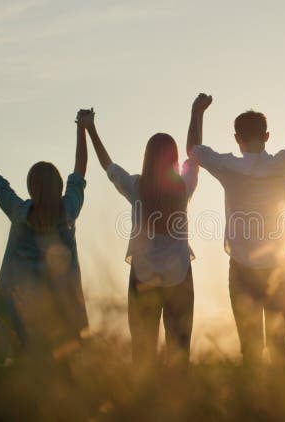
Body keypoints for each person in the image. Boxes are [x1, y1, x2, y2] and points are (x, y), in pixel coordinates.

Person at [187, 93, 285, 365]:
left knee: (250, 352)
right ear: (266, 136)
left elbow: (193, 149)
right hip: (279, 266)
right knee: (279, 350)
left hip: (241, 268)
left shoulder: (229, 166)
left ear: (237, 138)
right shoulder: (282, 164)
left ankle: (253, 406)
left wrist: (197, 112)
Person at [0, 113, 90, 362]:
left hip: (18, 316)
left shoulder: (18, 212)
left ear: (31, 188)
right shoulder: (68, 210)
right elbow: (80, 169)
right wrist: (82, 128)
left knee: (20, 378)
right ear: (59, 185)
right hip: (60, 315)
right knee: (61, 381)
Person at [80, 103, 203, 366]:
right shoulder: (183, 187)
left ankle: (144, 404)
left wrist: (90, 128)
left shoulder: (136, 187)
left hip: (142, 278)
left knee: (142, 353)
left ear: (147, 157)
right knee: (179, 352)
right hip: (179, 277)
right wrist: (196, 113)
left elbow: (108, 165)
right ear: (173, 158)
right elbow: (194, 157)